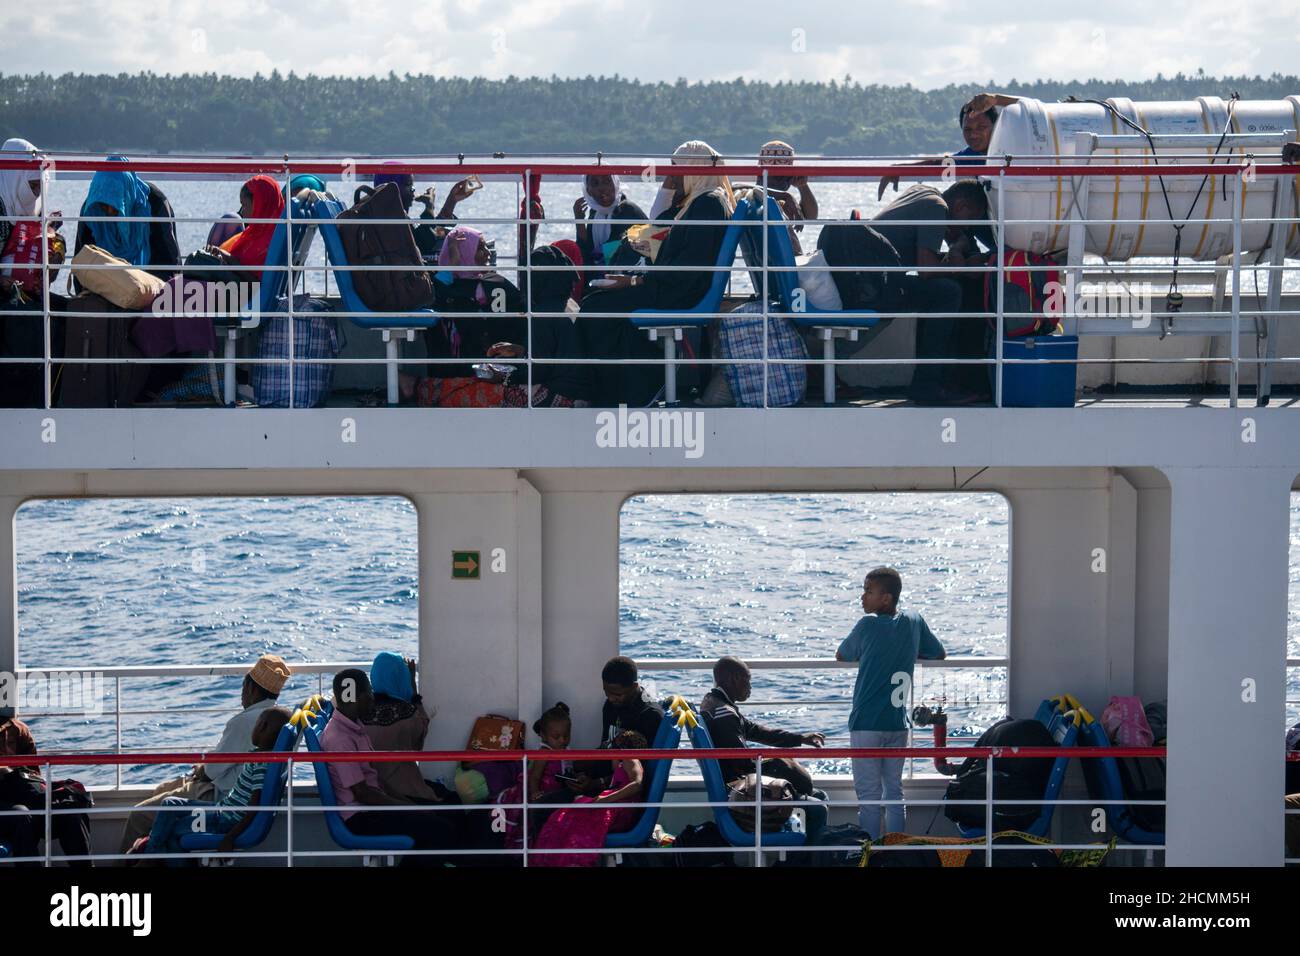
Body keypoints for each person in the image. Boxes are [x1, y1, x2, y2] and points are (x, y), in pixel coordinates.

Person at [576, 139, 735, 407]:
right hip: (672, 284)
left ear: (694, 169)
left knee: (594, 310)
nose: (671, 175)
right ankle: (624, 386)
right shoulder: (697, 201)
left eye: (676, 169)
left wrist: (634, 280)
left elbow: (689, 269)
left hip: (680, 291)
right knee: (596, 303)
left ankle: (634, 385)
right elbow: (659, 219)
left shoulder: (707, 205)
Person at [119, 653, 292, 854]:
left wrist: (203, 768)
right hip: (231, 791)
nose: (242, 694)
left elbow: (211, 772)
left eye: (244, 687)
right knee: (161, 791)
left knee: (139, 815)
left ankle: (128, 862)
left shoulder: (247, 721)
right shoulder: (279, 720)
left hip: (220, 794)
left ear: (251, 689)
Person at [835, 567, 945, 839]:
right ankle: (898, 851)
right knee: (894, 792)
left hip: (866, 725)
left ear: (885, 598)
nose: (862, 597)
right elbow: (938, 653)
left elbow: (842, 654)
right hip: (897, 724)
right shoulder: (913, 621)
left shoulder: (867, 625)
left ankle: (870, 854)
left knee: (870, 796)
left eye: (868, 592)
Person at [320, 669, 459, 865]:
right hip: (361, 817)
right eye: (369, 693)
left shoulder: (355, 727)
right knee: (440, 830)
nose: (372, 698)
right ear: (356, 698)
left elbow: (376, 778)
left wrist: (408, 803)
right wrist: (409, 809)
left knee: (448, 815)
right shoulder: (339, 739)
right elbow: (362, 793)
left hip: (372, 807)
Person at [870, 179, 990, 404]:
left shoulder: (922, 191)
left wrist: (956, 248)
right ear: (961, 206)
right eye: (970, 218)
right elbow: (926, 269)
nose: (968, 226)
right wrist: (961, 268)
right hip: (874, 285)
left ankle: (942, 380)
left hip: (866, 277)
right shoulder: (936, 208)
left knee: (937, 290)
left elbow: (926, 256)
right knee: (947, 293)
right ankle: (928, 386)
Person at [140, 707, 292, 862]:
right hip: (223, 809)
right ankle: (150, 854)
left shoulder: (261, 763)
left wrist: (229, 838)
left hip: (226, 821)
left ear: (262, 727)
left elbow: (255, 805)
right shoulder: (262, 755)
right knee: (170, 803)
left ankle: (148, 860)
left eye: (256, 723)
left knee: (173, 830)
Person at [701, 656, 830, 837]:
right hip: (741, 794)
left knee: (820, 796)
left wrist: (800, 739)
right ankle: (806, 859)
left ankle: (801, 857)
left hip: (738, 786)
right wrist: (783, 765)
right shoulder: (724, 715)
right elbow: (742, 764)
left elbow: (758, 732)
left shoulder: (717, 704)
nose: (750, 686)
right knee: (818, 808)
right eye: (747, 679)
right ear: (733, 679)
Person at [532, 729, 646, 866]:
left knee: (572, 817)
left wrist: (605, 800)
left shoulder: (630, 758)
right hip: (615, 805)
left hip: (619, 810)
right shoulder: (622, 765)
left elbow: (637, 784)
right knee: (570, 813)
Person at [424, 224, 526, 379]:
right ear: (464, 253)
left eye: (486, 247)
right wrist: (453, 266)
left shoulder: (496, 283)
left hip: (498, 371)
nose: (488, 253)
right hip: (455, 374)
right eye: (479, 248)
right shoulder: (441, 289)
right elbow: (435, 298)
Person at [877, 92, 1021, 200]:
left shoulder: (1015, 147)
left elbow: (1032, 108)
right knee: (954, 196)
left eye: (981, 127)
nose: (974, 134)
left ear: (995, 126)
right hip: (994, 222)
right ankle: (963, 241)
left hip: (1024, 215)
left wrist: (996, 99)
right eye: (968, 129)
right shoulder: (969, 156)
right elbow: (938, 163)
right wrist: (899, 169)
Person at [0, 710, 94, 866]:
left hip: (20, 794)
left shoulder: (18, 729)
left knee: (69, 809)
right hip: (9, 806)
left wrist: (13, 774)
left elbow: (33, 773)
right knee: (20, 814)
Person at [568, 656, 664, 797]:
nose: (611, 698)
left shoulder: (651, 716)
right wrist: (581, 771)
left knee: (543, 809)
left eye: (617, 694)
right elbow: (605, 747)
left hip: (618, 792)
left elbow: (641, 774)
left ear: (634, 687)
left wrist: (596, 783)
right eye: (607, 693)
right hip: (601, 781)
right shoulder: (610, 706)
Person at [361, 652, 447, 804]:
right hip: (402, 792)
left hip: (373, 788)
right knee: (452, 802)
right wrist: (414, 692)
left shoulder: (361, 712)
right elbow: (419, 737)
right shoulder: (406, 713)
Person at [74, 156, 180, 279]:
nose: (109, 212)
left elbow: (170, 262)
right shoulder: (92, 209)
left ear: (127, 198)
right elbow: (81, 263)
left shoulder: (154, 203)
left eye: (116, 206)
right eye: (104, 205)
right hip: (104, 283)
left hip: (152, 282)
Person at [497, 701, 574, 848]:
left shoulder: (565, 749)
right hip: (543, 793)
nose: (562, 740)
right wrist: (535, 793)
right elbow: (535, 776)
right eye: (556, 737)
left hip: (556, 793)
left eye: (566, 736)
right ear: (544, 736)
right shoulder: (545, 752)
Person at [199, 175, 285, 280]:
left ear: (259, 204)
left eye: (245, 205)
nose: (242, 212)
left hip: (241, 292)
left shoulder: (267, 242)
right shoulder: (267, 234)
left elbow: (254, 281)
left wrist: (226, 257)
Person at [572, 173, 646, 272]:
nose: (602, 188)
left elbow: (609, 253)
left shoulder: (626, 210)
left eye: (607, 182)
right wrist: (579, 221)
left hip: (633, 275)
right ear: (588, 191)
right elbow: (585, 251)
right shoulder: (595, 213)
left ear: (615, 184)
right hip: (607, 272)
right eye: (595, 183)